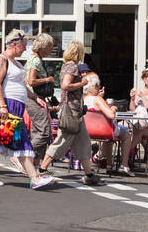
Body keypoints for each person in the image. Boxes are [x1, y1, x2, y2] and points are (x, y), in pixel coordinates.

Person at [0, 30, 56, 189]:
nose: (25, 49)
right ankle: (34, 178)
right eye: (24, 46)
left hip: (14, 107)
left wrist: (35, 98)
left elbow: (22, 86)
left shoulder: (16, 63)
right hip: (7, 106)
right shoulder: (1, 60)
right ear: (14, 45)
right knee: (20, 142)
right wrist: (3, 106)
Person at [39, 40, 103, 185]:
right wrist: (82, 83)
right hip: (70, 112)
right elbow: (66, 85)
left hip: (76, 112)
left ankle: (89, 174)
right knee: (61, 141)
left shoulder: (67, 66)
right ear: (78, 52)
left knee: (84, 143)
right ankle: (42, 170)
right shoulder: (72, 67)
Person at [82, 75, 135, 176]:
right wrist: (113, 108)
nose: (99, 88)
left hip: (87, 130)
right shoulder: (97, 99)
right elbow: (110, 115)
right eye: (98, 86)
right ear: (94, 86)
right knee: (126, 134)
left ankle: (109, 165)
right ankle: (124, 165)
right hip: (102, 130)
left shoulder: (83, 99)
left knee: (109, 136)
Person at [24, 33, 56, 165]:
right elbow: (31, 81)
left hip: (33, 98)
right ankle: (23, 155)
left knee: (37, 132)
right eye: (50, 46)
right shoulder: (36, 60)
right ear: (43, 46)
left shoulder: (34, 58)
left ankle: (35, 165)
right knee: (44, 133)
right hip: (35, 99)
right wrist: (48, 79)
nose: (51, 49)